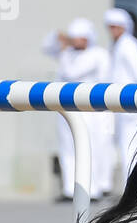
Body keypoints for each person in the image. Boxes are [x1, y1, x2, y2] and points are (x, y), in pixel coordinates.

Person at [40, 17, 113, 201]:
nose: (76, 41)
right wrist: (57, 36)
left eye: (80, 38)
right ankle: (69, 189)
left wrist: (65, 51)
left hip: (88, 110)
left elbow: (72, 73)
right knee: (67, 149)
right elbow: (46, 47)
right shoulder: (68, 52)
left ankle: (92, 189)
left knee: (89, 148)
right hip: (65, 108)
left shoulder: (98, 54)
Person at [104, 7, 137, 186]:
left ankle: (135, 187)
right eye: (110, 27)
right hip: (122, 106)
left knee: (132, 146)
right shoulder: (117, 46)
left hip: (133, 106)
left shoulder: (130, 45)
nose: (112, 31)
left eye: (116, 27)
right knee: (125, 147)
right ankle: (130, 186)